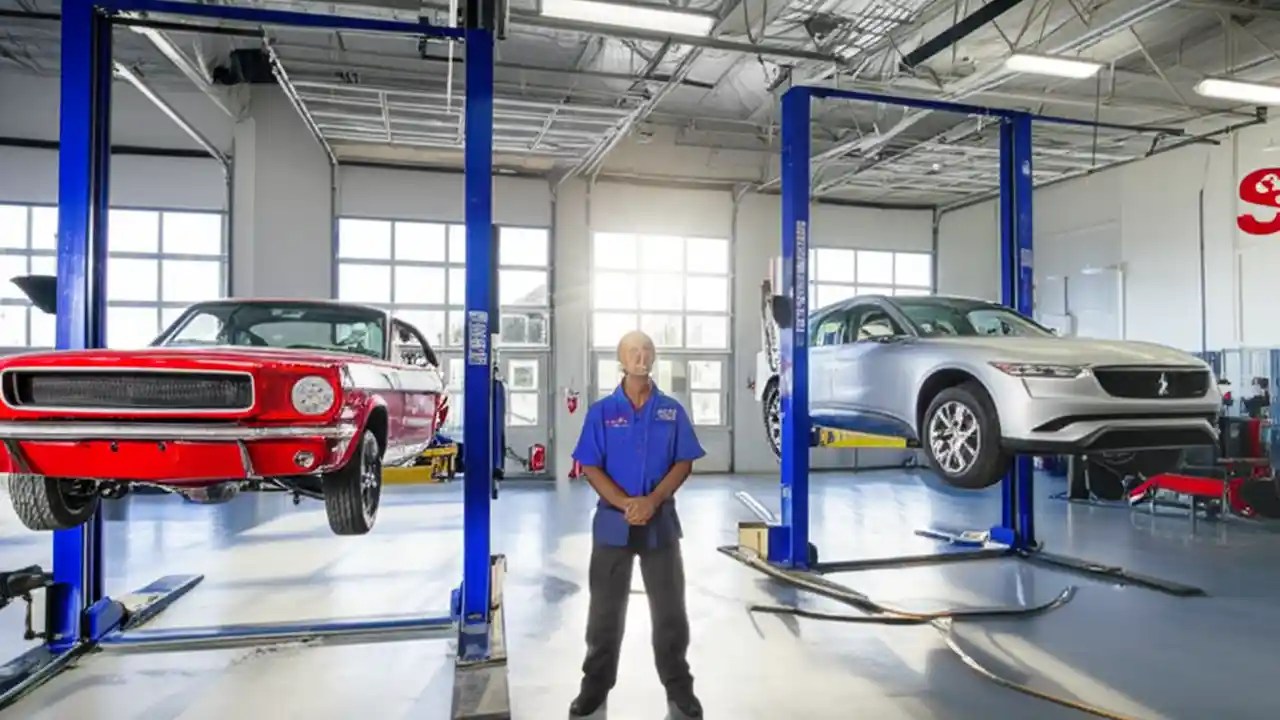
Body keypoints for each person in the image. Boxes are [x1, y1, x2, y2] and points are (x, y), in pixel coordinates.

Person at [568, 330, 705, 719]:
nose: (640, 356)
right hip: (613, 525)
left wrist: (652, 501)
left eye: (646, 350)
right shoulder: (602, 412)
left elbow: (684, 461)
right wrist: (625, 503)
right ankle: (593, 688)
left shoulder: (671, 411)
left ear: (654, 357)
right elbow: (589, 465)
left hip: (660, 524)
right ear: (622, 360)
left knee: (670, 612)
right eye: (632, 351)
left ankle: (680, 690)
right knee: (604, 613)